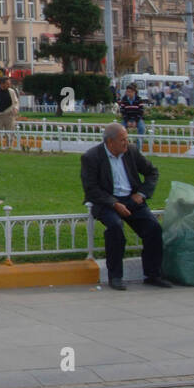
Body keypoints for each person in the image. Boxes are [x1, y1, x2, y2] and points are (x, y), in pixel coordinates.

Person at [81, 123, 169, 291]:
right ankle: (115, 277)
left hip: (132, 200)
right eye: (123, 140)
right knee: (115, 227)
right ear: (110, 142)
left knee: (153, 228)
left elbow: (152, 172)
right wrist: (114, 203)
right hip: (107, 202)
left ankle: (153, 274)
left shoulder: (131, 152)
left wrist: (141, 194)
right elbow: (91, 189)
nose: (126, 143)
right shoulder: (91, 157)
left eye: (127, 139)